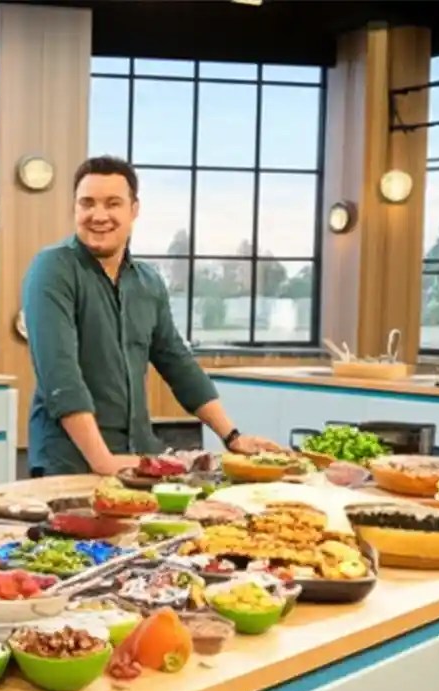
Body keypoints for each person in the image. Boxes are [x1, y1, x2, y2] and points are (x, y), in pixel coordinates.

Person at [21, 155, 281, 477]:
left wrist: (233, 437)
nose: (98, 215)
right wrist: (102, 460)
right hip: (70, 463)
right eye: (86, 203)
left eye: (112, 203)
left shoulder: (148, 281)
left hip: (137, 456)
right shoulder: (52, 269)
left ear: (134, 210)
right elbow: (60, 375)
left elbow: (177, 362)